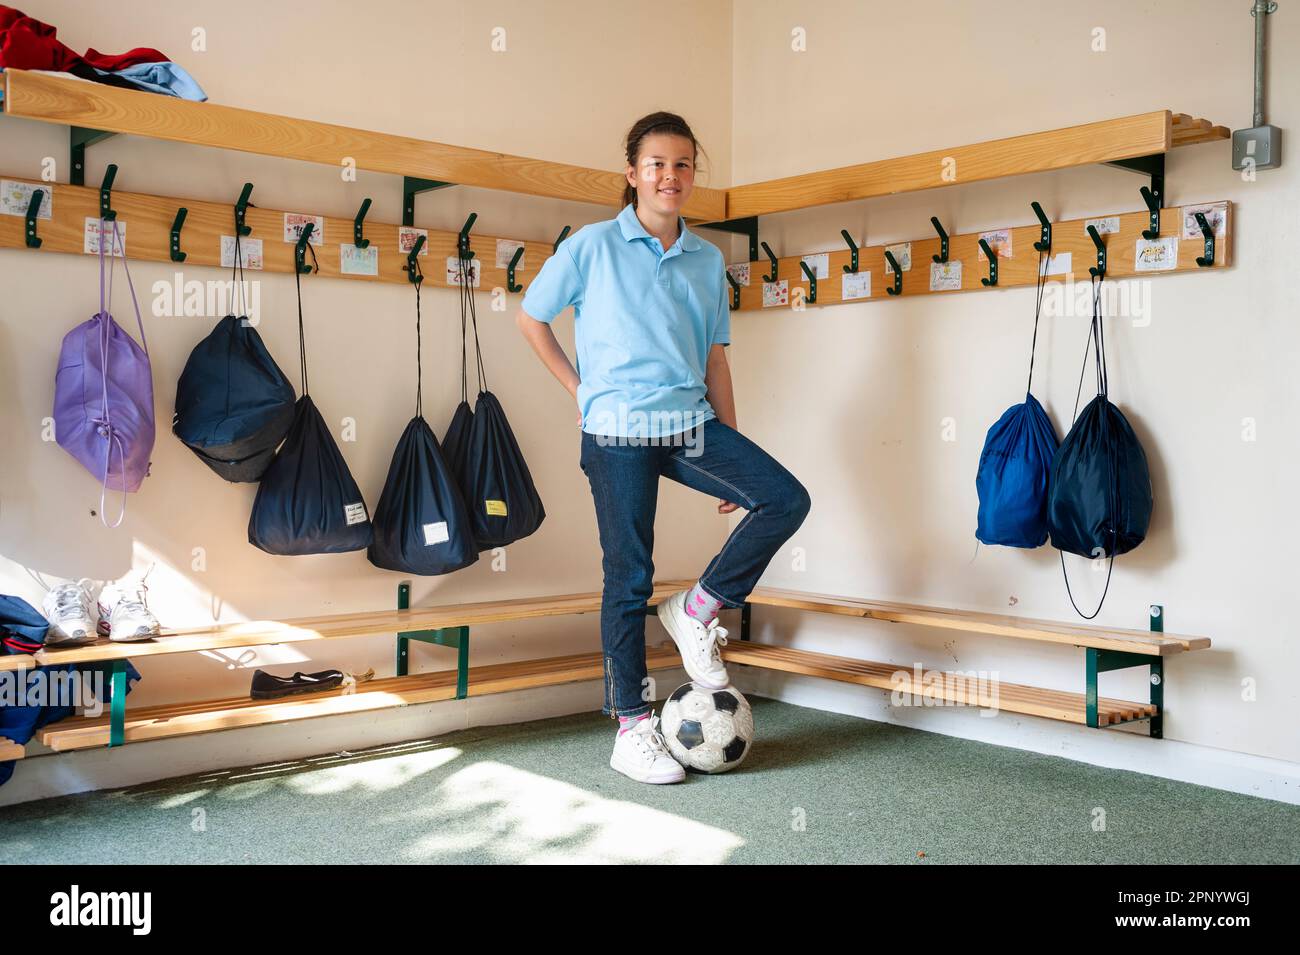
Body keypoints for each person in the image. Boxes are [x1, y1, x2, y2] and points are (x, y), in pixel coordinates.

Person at [516, 111, 811, 784]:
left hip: (688, 424)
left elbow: (716, 358)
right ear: (632, 174)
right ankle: (631, 727)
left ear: (691, 176)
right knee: (628, 580)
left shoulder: (706, 259)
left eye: (682, 165)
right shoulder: (591, 246)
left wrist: (730, 440)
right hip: (615, 429)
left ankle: (699, 607)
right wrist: (579, 390)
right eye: (656, 164)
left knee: (784, 497)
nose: (670, 176)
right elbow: (530, 316)